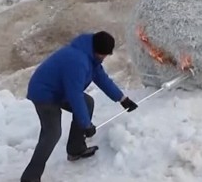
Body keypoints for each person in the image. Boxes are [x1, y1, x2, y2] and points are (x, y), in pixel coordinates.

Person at [20, 31, 138, 182]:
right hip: (44, 94)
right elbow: (74, 95)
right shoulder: (78, 61)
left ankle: (76, 149)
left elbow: (102, 79)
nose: (105, 57)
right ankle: (30, 177)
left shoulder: (90, 56)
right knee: (52, 133)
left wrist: (123, 99)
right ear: (97, 51)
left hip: (59, 90)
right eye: (104, 54)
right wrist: (86, 125)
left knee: (88, 102)